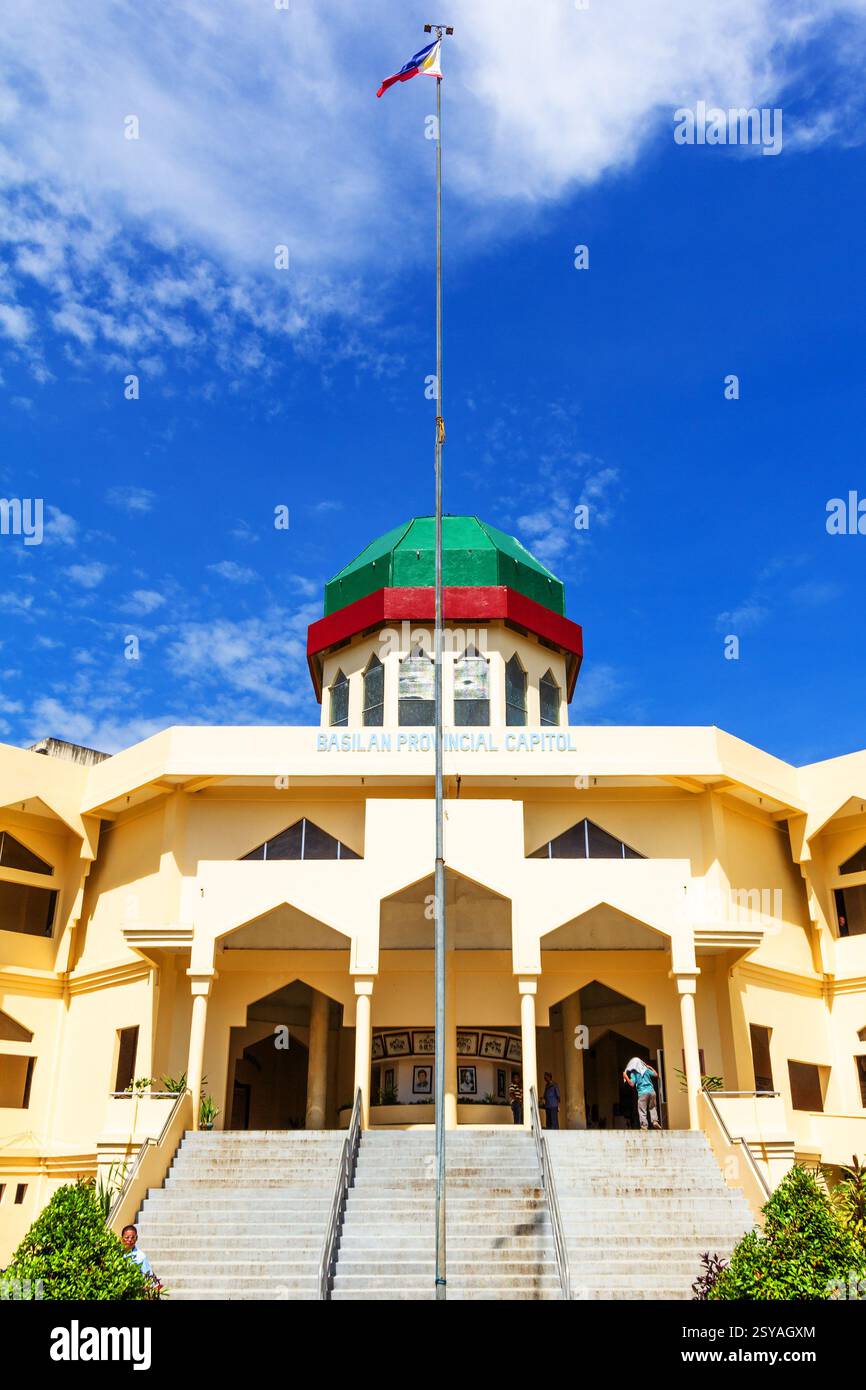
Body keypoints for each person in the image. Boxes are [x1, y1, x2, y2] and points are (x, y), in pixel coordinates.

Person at [622, 1056, 662, 1130]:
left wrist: (626, 1077)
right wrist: (650, 1067)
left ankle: (644, 1125)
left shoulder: (634, 1073)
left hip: (642, 1093)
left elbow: (632, 1084)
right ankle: (655, 1121)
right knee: (652, 1107)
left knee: (642, 1110)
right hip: (652, 1092)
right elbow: (656, 1075)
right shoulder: (646, 1070)